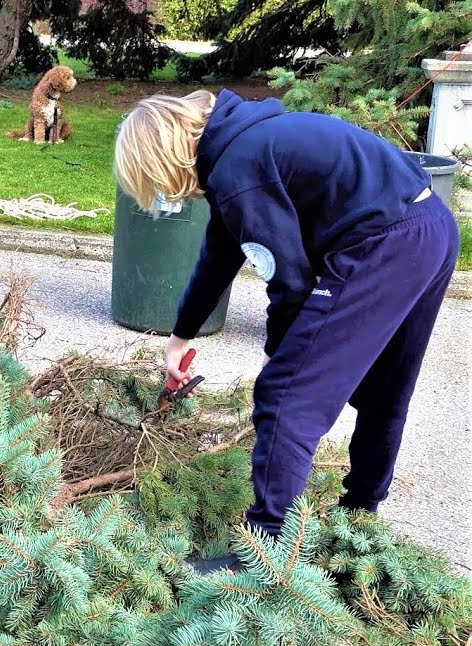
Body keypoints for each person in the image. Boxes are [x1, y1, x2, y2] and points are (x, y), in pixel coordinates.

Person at [113, 89, 458, 571]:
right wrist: (180, 336)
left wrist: (283, 359)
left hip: (383, 244)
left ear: (162, 155)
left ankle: (265, 550)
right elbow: (219, 254)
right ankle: (360, 521)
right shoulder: (246, 143)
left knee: (286, 397)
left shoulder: (239, 172)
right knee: (385, 391)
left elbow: (289, 282)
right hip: (431, 228)